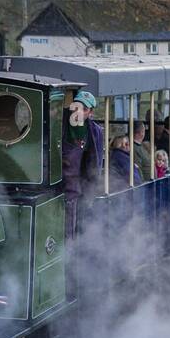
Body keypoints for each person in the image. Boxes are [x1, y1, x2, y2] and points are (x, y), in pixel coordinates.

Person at [58, 88, 104, 237]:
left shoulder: (95, 132)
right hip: (56, 184)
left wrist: (91, 189)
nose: (78, 111)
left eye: (84, 109)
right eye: (76, 106)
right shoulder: (59, 122)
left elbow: (95, 163)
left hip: (76, 188)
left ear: (90, 113)